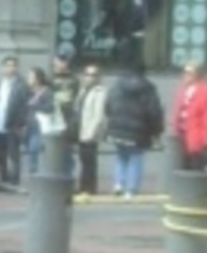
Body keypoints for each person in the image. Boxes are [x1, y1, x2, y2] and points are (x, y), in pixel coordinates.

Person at [104, 63, 163, 197]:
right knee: (136, 158)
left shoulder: (117, 86)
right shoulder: (148, 88)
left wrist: (113, 120)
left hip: (117, 127)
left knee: (121, 156)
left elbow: (108, 106)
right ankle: (131, 188)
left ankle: (118, 183)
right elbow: (154, 111)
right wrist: (156, 131)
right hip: (139, 130)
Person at [171, 60, 207, 171]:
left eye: (189, 73)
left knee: (196, 166)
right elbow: (178, 110)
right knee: (183, 165)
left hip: (197, 135)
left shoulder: (205, 91)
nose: (185, 76)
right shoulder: (183, 90)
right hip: (182, 132)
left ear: (197, 75)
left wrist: (206, 139)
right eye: (185, 72)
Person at [0, 55, 29, 186]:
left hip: (13, 125)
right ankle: (4, 178)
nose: (11, 68)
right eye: (8, 65)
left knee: (13, 155)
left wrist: (21, 124)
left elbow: (24, 106)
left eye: (13, 65)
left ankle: (14, 180)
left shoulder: (21, 85)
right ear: (2, 67)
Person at [73, 64, 107, 196]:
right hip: (81, 129)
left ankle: (89, 187)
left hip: (89, 132)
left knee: (89, 161)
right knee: (83, 160)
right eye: (87, 74)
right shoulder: (83, 90)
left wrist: (91, 133)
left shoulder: (100, 92)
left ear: (98, 77)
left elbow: (98, 115)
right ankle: (83, 186)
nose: (89, 78)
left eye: (93, 75)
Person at [50, 54, 79, 175]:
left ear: (65, 64)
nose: (54, 67)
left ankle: (68, 177)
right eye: (53, 65)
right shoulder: (51, 80)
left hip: (67, 119)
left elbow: (71, 98)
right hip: (54, 119)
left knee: (67, 152)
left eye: (57, 64)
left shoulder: (73, 80)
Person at [24, 67, 54, 176]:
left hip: (40, 129)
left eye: (31, 77)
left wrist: (35, 105)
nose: (28, 79)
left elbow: (50, 108)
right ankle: (33, 177)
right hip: (30, 128)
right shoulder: (30, 93)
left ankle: (36, 178)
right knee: (31, 153)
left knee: (34, 151)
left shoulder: (46, 92)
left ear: (37, 79)